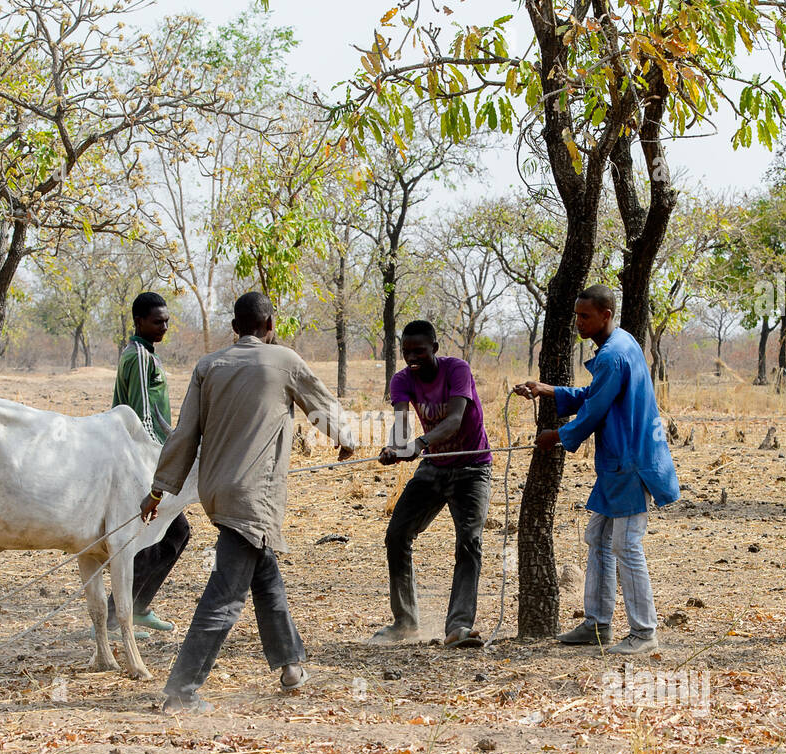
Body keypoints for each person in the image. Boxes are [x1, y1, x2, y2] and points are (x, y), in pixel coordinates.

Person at [142, 292, 356, 714]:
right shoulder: (284, 361)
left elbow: (183, 434)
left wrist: (158, 489)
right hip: (252, 496)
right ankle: (181, 691)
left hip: (216, 492)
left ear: (234, 327)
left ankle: (291, 666)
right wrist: (346, 441)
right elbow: (324, 406)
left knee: (265, 575)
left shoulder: (209, 366)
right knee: (225, 595)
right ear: (270, 324)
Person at [514, 284, 679, 656]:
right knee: (598, 537)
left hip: (630, 461)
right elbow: (595, 395)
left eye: (585, 316)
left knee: (626, 544)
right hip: (619, 460)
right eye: (576, 315)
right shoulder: (621, 343)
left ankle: (644, 632)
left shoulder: (612, 356)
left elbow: (594, 412)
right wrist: (550, 391)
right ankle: (597, 624)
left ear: (606, 315)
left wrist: (557, 435)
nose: (578, 323)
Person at [372, 320, 492, 649]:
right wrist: (394, 450)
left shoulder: (457, 370)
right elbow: (400, 426)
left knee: (469, 541)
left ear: (435, 348)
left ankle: (458, 626)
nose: (412, 357)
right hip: (434, 466)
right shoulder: (402, 380)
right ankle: (405, 621)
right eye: (406, 351)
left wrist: (419, 443)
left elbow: (454, 420)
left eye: (420, 351)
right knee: (397, 534)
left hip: (472, 466)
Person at [108, 291, 190, 632]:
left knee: (167, 534)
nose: (164, 327)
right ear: (138, 321)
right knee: (172, 532)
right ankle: (123, 612)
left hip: (145, 458)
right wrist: (155, 473)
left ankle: (131, 608)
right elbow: (141, 417)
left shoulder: (142, 353)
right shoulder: (140, 357)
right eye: (158, 321)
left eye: (167, 321)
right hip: (142, 460)